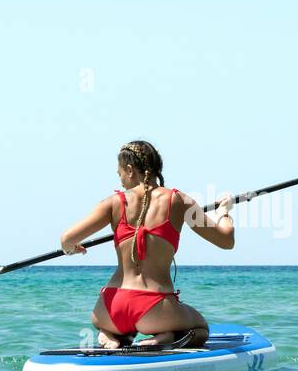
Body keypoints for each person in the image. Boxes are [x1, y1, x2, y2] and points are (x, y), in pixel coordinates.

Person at [60, 140, 234, 348]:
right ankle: (165, 337)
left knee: (113, 326)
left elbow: (67, 239)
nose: (121, 181)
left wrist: (72, 248)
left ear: (130, 170)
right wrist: (224, 211)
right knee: (200, 329)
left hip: (109, 308)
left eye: (120, 174)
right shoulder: (178, 201)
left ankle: (109, 336)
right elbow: (226, 240)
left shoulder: (113, 203)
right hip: (155, 308)